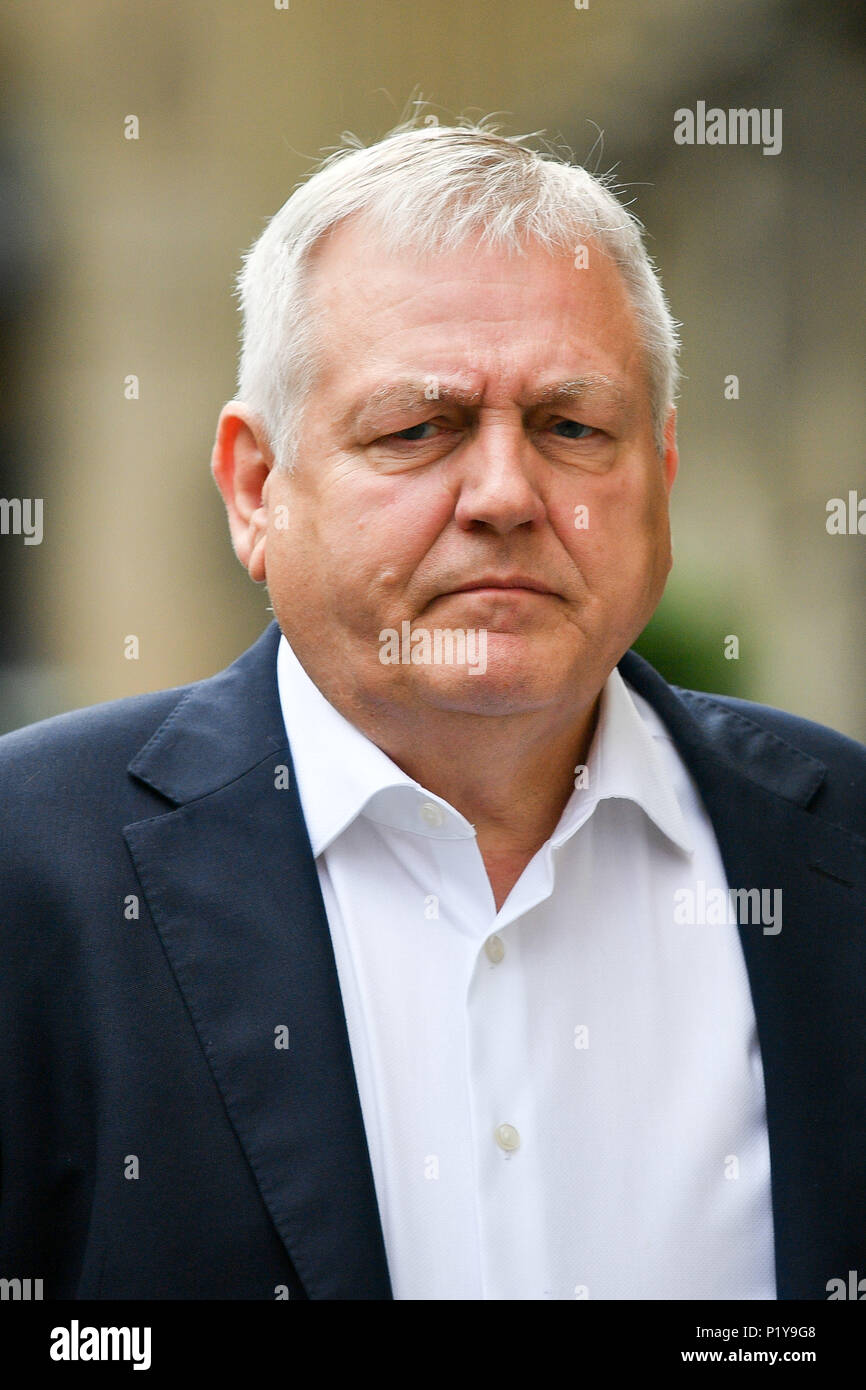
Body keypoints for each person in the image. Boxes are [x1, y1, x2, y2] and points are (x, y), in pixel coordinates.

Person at [0, 117, 863, 1302]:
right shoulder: (32, 867)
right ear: (257, 488)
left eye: (570, 426)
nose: (506, 494)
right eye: (418, 429)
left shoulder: (838, 846)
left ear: (659, 473)